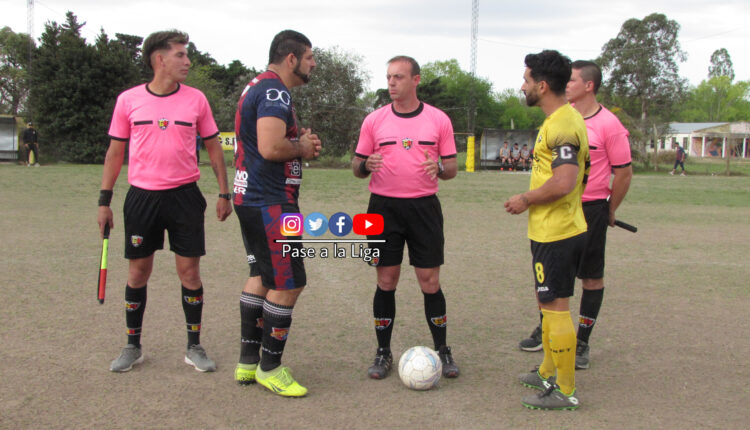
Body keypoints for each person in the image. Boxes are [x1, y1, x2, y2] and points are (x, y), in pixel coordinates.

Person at [97, 30, 232, 374]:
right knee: (138, 272)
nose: (187, 61)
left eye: (187, 55)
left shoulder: (196, 100)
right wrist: (104, 201)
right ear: (160, 59)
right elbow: (115, 153)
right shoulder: (128, 100)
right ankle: (132, 346)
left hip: (185, 197)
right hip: (141, 198)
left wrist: (223, 192)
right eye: (181, 55)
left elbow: (214, 147)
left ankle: (194, 346)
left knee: (189, 273)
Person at [518, 60, 633, 371]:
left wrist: (610, 209)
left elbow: (622, 172)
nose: (566, 84)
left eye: (572, 80)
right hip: (557, 213)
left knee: (587, 279)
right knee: (553, 292)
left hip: (586, 210)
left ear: (589, 85)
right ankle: (550, 345)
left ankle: (577, 346)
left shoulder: (602, 124)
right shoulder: (560, 118)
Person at [352, 55, 459, 381]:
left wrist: (438, 168)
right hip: (381, 209)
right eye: (388, 77)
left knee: (430, 281)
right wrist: (364, 165)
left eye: (398, 77)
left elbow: (452, 168)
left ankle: (442, 350)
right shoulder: (374, 121)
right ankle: (383, 352)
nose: (392, 83)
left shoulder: (439, 120)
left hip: (424, 208)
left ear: (416, 80)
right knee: (386, 281)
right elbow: (356, 167)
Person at [231, 30, 321, 397]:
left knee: (261, 276)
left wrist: (299, 146)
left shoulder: (258, 85)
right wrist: (302, 147)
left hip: (252, 199)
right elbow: (270, 147)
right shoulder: (273, 91)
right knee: (289, 283)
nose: (313, 64)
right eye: (310, 57)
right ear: (291, 59)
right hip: (270, 203)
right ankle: (271, 367)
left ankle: (247, 363)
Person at [505, 50, 589, 410]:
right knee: (548, 303)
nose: (522, 86)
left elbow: (565, 181)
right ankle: (546, 371)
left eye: (526, 80)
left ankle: (565, 390)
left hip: (558, 231)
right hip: (549, 230)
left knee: (555, 307)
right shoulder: (557, 119)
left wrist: (526, 197)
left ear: (541, 85)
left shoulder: (563, 124)